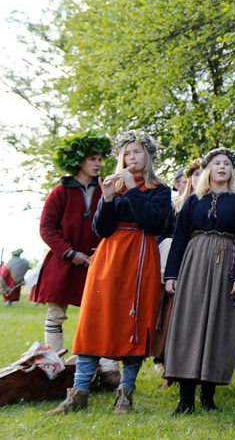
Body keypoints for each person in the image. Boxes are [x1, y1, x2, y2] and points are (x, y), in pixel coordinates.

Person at [48, 130, 170, 416]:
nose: (131, 157)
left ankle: (125, 395)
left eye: (137, 152)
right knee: (95, 319)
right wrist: (107, 198)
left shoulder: (159, 189)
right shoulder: (112, 183)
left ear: (148, 155)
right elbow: (101, 230)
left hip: (140, 258)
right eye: (127, 153)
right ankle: (78, 393)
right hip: (108, 257)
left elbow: (153, 223)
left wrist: (134, 190)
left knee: (134, 323)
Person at [163, 147, 235, 414]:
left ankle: (208, 394)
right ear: (208, 169)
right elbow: (179, 238)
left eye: (226, 163)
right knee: (189, 323)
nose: (222, 167)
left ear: (232, 170)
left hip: (226, 265)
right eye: (217, 163)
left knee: (218, 322)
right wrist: (172, 274)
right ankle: (185, 399)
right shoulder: (193, 201)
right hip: (194, 263)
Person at [32, 130, 120, 389]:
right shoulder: (60, 191)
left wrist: (99, 254)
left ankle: (108, 370)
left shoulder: (107, 189)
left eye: (100, 159)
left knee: (102, 315)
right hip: (64, 262)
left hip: (98, 262)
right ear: (78, 161)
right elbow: (47, 229)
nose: (98, 163)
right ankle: (55, 367)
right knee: (56, 314)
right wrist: (71, 253)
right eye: (93, 158)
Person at [152, 157, 202, 378]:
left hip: (200, 260)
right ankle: (164, 360)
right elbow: (162, 232)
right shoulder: (175, 205)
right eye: (195, 175)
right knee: (169, 311)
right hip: (173, 261)